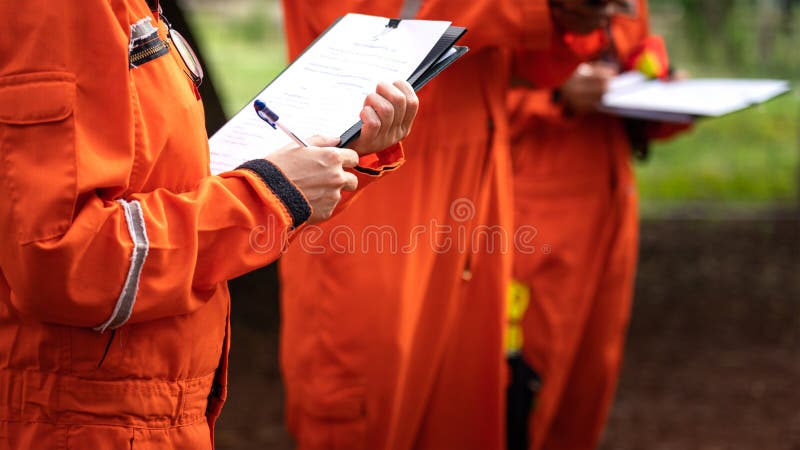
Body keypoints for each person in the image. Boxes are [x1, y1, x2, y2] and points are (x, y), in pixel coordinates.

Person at [0, 1, 418, 448]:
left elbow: (158, 181)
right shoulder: (58, 11)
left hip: (140, 410)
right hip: (88, 423)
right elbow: (62, 258)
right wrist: (269, 196)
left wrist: (333, 156)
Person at [278, 1, 620, 449]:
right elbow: (384, 21)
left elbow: (529, 65)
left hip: (472, 209)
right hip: (374, 205)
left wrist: (567, 19)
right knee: (364, 418)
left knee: (464, 419)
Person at [505, 1, 688, 448]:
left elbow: (629, 60)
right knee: (522, 383)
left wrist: (662, 100)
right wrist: (555, 93)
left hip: (612, 205)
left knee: (587, 386)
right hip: (533, 213)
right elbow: (455, 91)